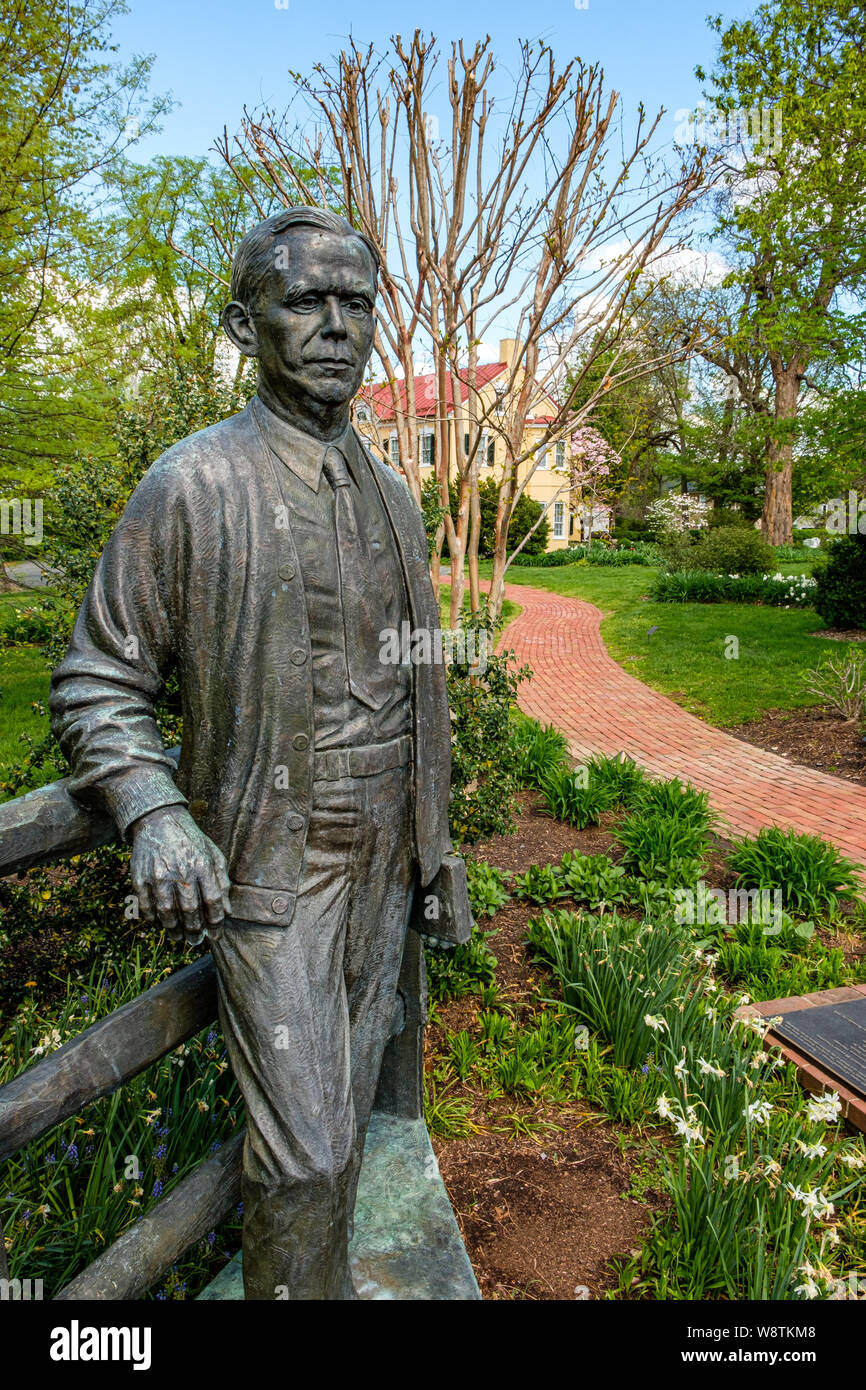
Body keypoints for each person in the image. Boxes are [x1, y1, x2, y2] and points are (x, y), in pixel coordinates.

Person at [49, 206, 466, 1300]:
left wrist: (437, 851)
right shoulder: (190, 485)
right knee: (307, 1151)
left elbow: (421, 684)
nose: (336, 326)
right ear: (246, 323)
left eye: (356, 303)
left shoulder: (392, 494)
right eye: (304, 302)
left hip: (385, 859)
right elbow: (97, 676)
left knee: (359, 1105)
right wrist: (151, 808)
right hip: (276, 867)